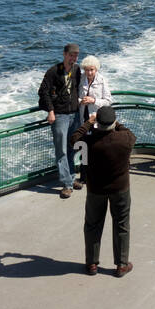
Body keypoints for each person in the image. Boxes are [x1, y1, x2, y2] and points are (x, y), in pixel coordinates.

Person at [71, 106, 136, 277]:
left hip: (95, 190)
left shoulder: (89, 141)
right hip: (120, 189)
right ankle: (122, 264)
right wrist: (117, 123)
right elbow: (129, 132)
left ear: (98, 123)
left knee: (92, 225)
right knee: (122, 225)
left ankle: (92, 263)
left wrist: (88, 122)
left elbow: (74, 138)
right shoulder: (126, 139)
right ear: (113, 122)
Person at [38, 44, 82, 198]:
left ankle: (71, 177)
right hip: (60, 116)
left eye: (76, 55)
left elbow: (78, 88)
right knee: (61, 151)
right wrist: (51, 111)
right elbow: (43, 91)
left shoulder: (77, 70)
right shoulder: (53, 72)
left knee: (72, 148)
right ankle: (66, 184)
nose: (73, 58)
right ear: (64, 54)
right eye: (71, 55)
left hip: (75, 115)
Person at [77, 55, 112, 127]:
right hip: (81, 117)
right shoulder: (80, 79)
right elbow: (74, 96)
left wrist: (93, 100)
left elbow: (108, 101)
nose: (89, 73)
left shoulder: (102, 80)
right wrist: (81, 101)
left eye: (91, 70)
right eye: (87, 70)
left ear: (96, 69)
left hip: (96, 118)